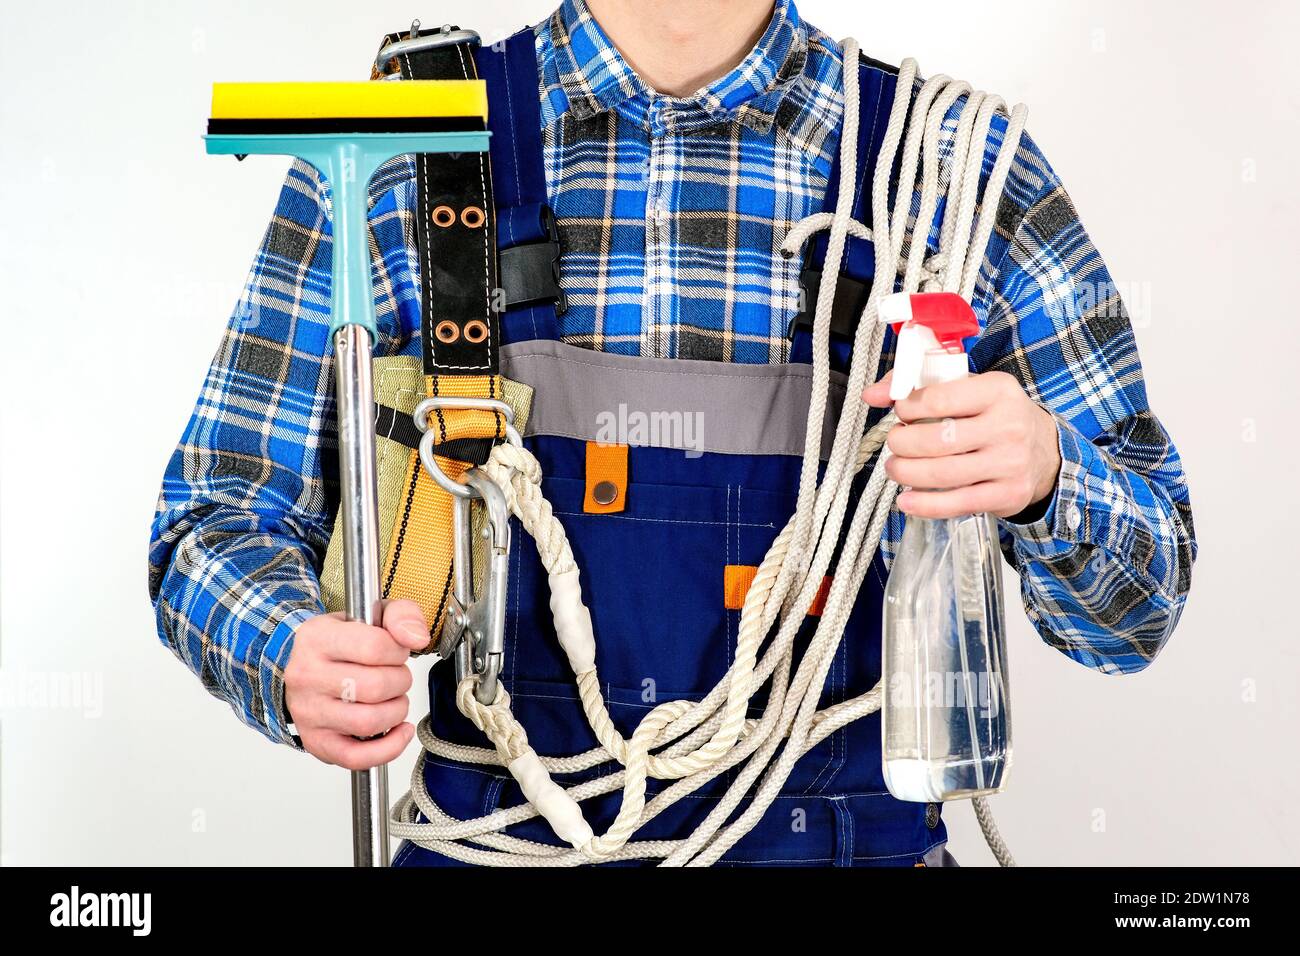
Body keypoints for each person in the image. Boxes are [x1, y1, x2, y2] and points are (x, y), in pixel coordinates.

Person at [149, 0, 1196, 865]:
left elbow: (1138, 607)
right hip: (501, 843)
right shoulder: (409, 151)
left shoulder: (958, 170)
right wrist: (286, 650)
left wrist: (1045, 475)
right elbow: (214, 519)